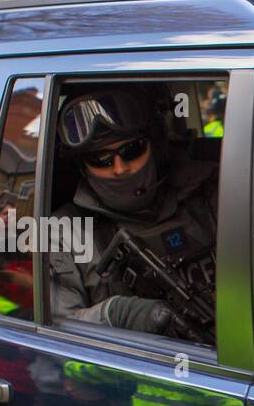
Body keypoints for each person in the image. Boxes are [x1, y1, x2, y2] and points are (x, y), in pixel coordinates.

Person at [48, 86, 219, 339]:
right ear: (82, 167)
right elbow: (56, 332)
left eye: (132, 150)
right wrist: (117, 314)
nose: (120, 169)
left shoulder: (209, 192)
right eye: (101, 160)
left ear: (156, 146)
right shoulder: (65, 232)